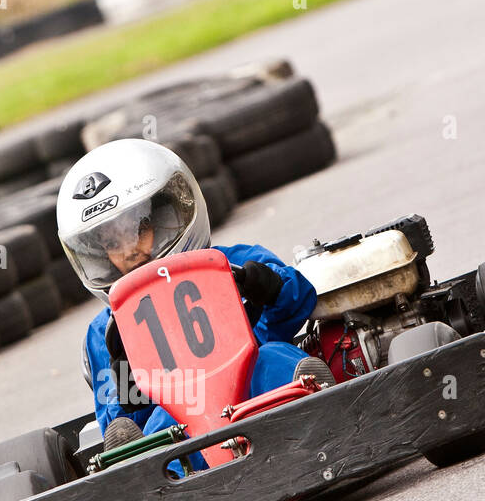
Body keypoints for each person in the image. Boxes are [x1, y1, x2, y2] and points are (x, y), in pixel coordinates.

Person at [56, 138, 332, 454]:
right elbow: (120, 423)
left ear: (166, 218)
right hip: (183, 419)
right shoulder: (105, 331)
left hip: (254, 383)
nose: (129, 251)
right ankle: (149, 477)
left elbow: (300, 298)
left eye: (137, 229)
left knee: (275, 358)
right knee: (152, 428)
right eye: (112, 243)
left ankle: (316, 402)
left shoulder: (233, 262)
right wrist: (126, 377)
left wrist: (263, 285)